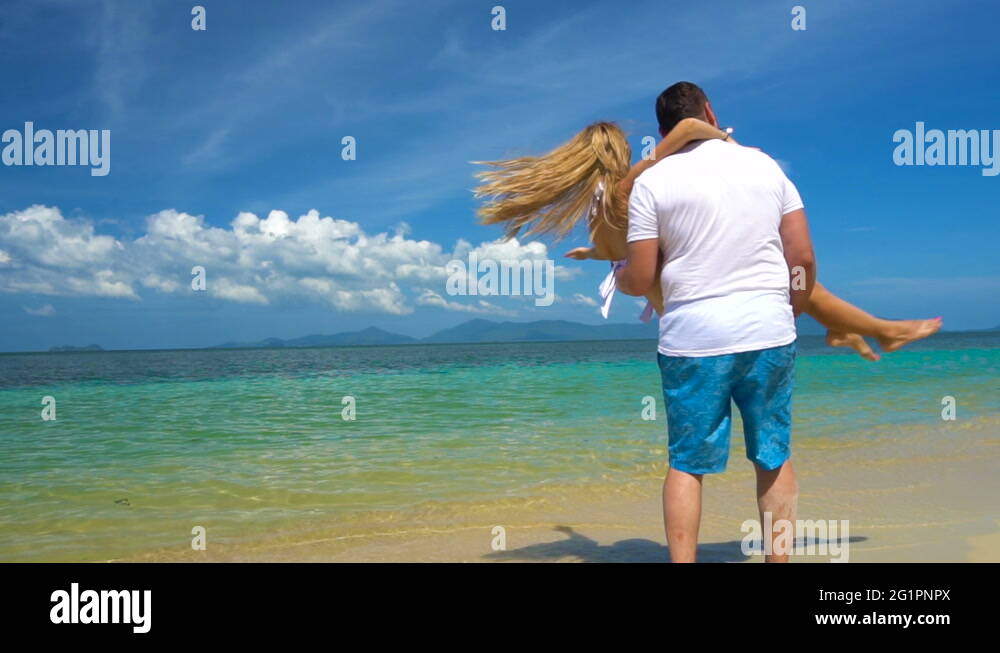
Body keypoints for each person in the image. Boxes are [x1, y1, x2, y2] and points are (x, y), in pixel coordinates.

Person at [475, 113, 941, 363]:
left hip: (681, 323)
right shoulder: (628, 187)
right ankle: (881, 331)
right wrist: (725, 140)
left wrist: (592, 253)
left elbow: (620, 252)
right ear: (617, 154)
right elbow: (689, 128)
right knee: (793, 275)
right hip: (701, 312)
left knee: (793, 277)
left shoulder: (599, 211)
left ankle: (850, 330)